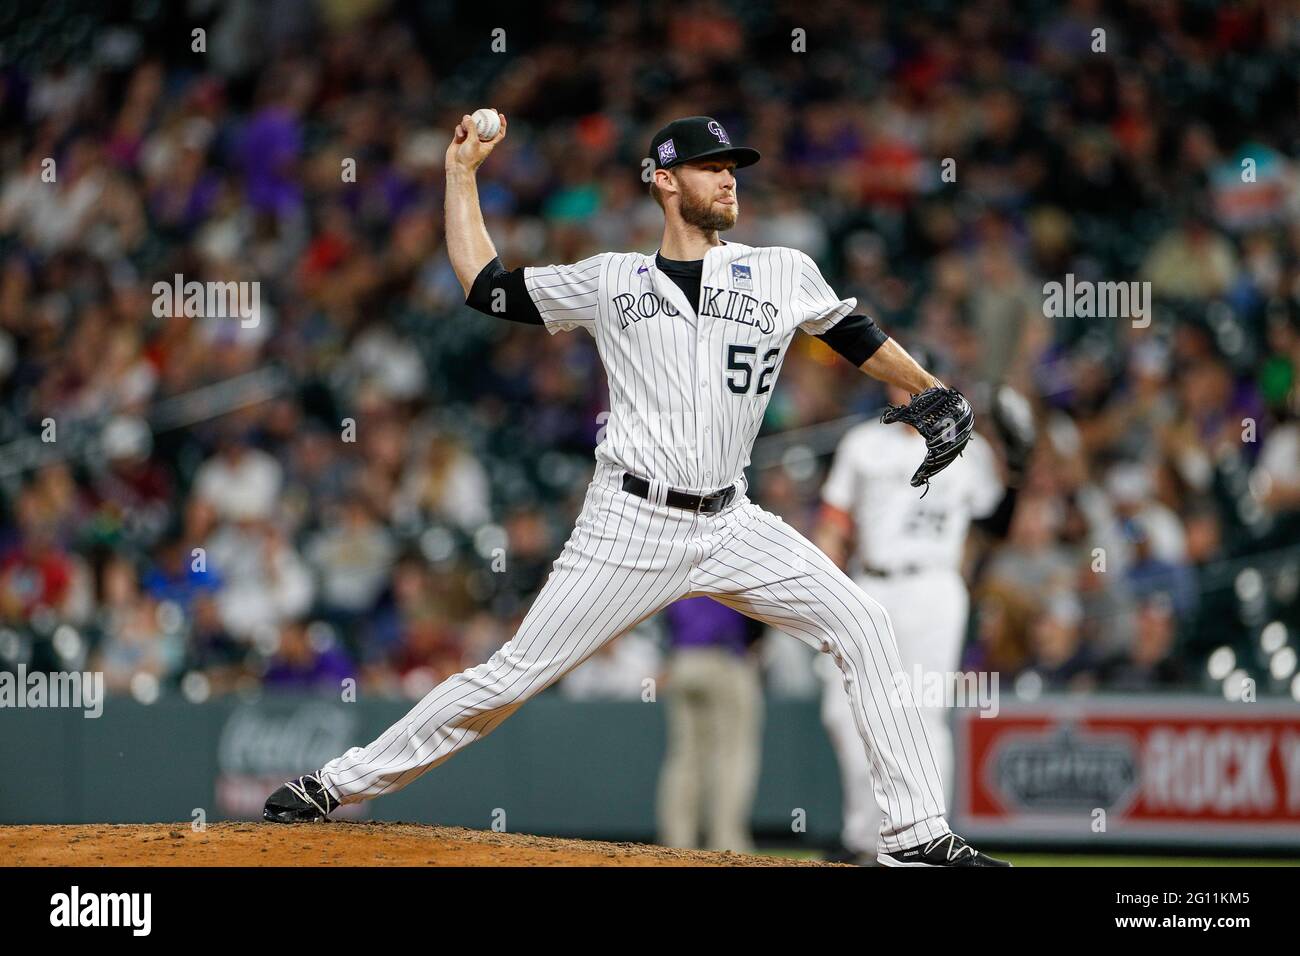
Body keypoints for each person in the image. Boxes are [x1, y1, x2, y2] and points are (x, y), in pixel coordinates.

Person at [264, 112, 1009, 866]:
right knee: (510, 678)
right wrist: (461, 176)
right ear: (663, 179)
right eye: (711, 165)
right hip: (630, 521)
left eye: (733, 166)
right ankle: (335, 783)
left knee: (865, 625)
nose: (729, 177)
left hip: (731, 520)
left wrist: (929, 387)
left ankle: (914, 837)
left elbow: (852, 332)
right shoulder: (611, 279)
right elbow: (485, 288)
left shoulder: (782, 270)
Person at [814, 382, 1032, 862]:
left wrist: (1017, 472)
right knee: (843, 709)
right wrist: (823, 585)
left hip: (934, 588)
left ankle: (927, 840)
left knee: (923, 713)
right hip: (870, 583)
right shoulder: (863, 442)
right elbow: (833, 522)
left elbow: (996, 525)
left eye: (923, 380)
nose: (913, 389)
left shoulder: (968, 449)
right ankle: (863, 837)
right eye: (905, 378)